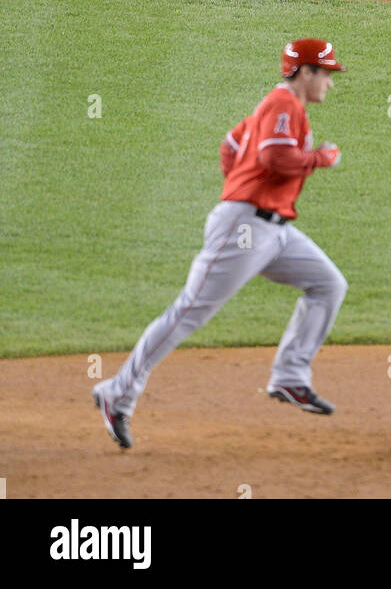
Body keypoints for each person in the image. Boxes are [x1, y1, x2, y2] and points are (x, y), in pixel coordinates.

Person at [92, 38, 347, 447]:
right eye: (327, 74)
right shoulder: (285, 105)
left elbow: (230, 147)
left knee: (328, 284)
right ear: (305, 72)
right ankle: (117, 393)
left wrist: (244, 185)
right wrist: (320, 158)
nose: (330, 84)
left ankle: (290, 377)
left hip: (274, 230)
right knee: (189, 311)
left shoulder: (273, 108)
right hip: (245, 228)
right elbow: (275, 159)